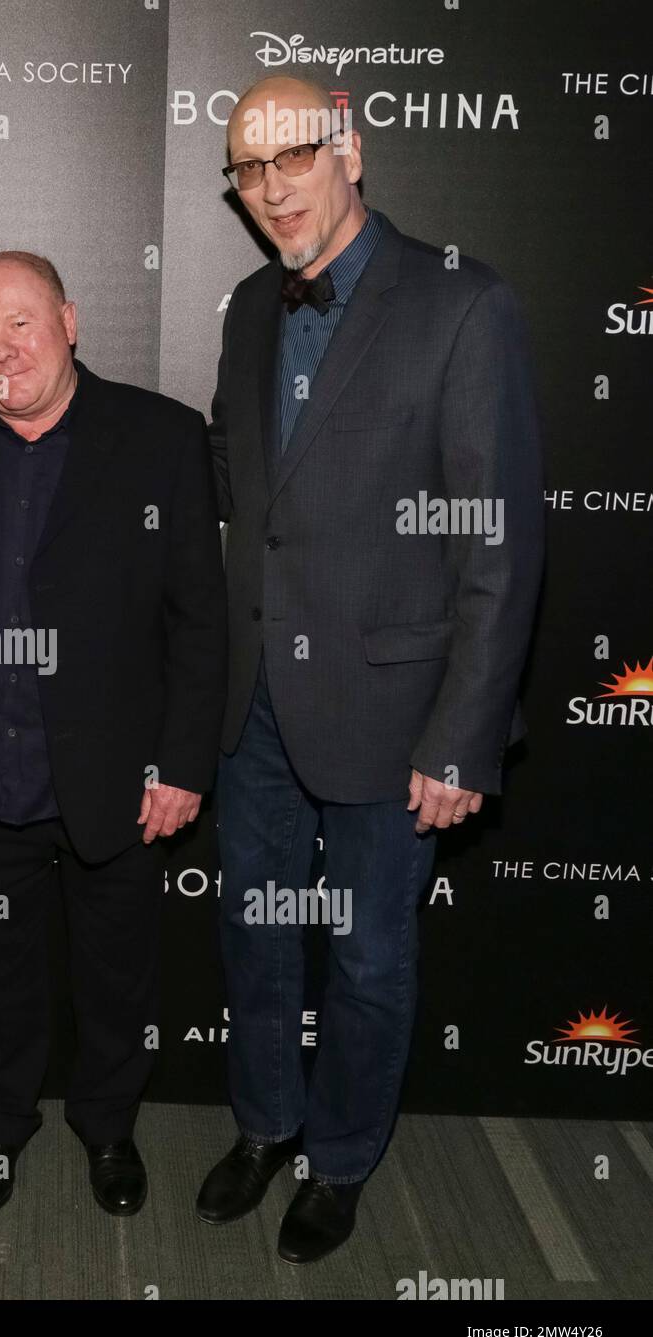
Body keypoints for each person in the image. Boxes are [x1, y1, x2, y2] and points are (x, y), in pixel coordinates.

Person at [201, 76, 544, 1263]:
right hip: (252, 709)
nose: (271, 189)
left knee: (365, 952)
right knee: (253, 932)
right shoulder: (249, 307)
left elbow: (498, 544)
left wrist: (462, 735)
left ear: (349, 147)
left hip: (393, 710)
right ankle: (263, 1123)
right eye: (248, 171)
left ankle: (340, 1157)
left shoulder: (461, 303)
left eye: (291, 157)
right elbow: (247, 507)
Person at [0, 251, 226, 1218]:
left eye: (22, 322)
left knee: (115, 970)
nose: (3, 348)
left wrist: (181, 764)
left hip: (115, 776)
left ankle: (110, 1129)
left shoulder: (161, 436)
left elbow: (200, 620)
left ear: (71, 319)